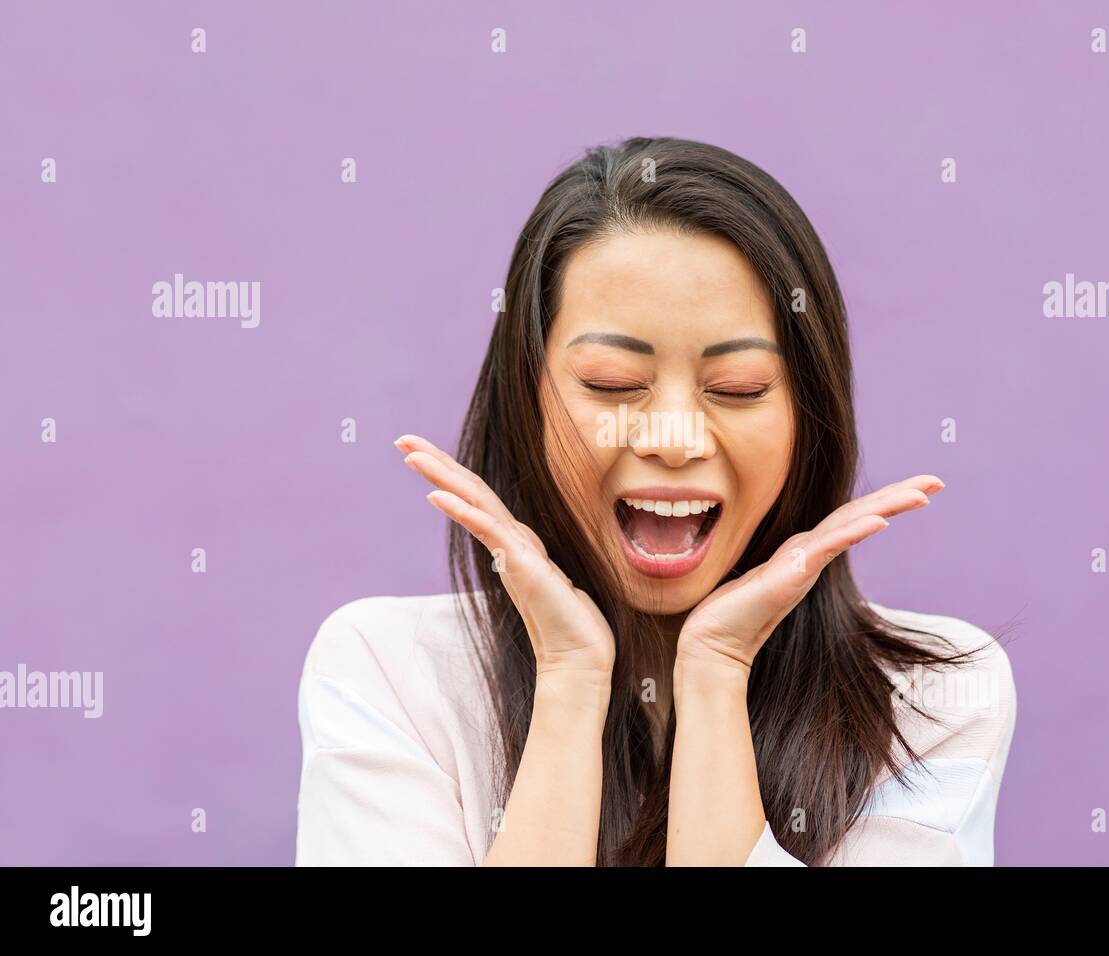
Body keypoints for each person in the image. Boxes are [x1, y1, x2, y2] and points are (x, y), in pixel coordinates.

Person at [295, 137, 1016, 866]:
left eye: (738, 389)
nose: (674, 439)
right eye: (611, 382)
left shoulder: (933, 694)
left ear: (810, 418)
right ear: (526, 400)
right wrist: (571, 681)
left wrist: (717, 672)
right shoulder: (386, 670)